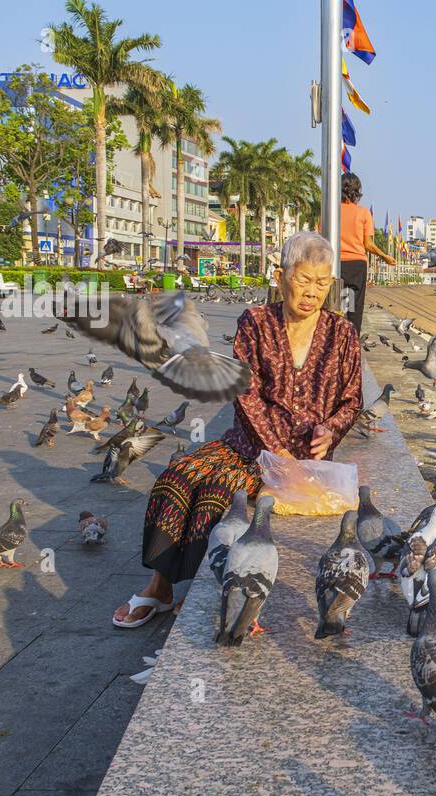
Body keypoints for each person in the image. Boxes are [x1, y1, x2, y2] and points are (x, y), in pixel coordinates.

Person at [112, 231, 364, 627]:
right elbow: (245, 394)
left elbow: (352, 399)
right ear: (281, 276)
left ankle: (199, 591)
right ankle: (160, 585)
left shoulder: (342, 334)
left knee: (218, 494)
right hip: (250, 443)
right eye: (303, 280)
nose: (312, 292)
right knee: (176, 477)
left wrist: (331, 429)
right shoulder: (256, 322)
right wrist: (273, 450)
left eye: (321, 283)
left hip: (304, 458)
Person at [337, 173, 395, 334]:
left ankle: (337, 339)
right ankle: (352, 343)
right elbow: (368, 244)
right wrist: (385, 256)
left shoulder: (331, 212)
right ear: (357, 191)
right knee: (354, 307)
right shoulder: (363, 213)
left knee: (338, 305)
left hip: (335, 265)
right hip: (356, 266)